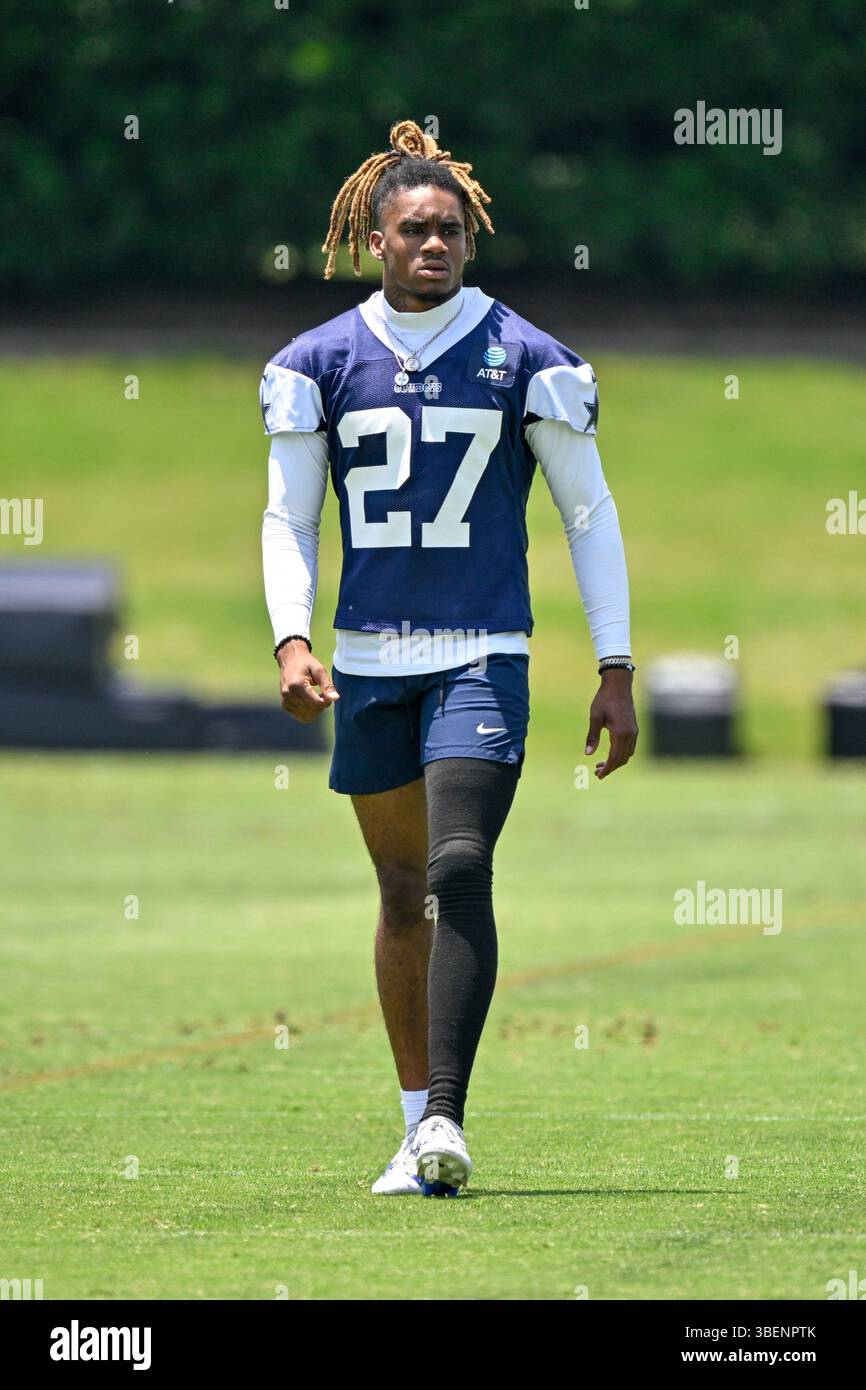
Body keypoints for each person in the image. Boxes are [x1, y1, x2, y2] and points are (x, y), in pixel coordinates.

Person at [260, 119, 637, 1196]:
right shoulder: (315, 364)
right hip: (371, 659)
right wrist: (291, 636)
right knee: (396, 891)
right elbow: (288, 520)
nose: (432, 245)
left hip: (481, 650)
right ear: (372, 239)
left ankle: (443, 1121)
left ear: (470, 241)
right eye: (412, 229)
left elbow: (588, 513)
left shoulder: (528, 358)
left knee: (456, 866)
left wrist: (612, 663)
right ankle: (406, 1120)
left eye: (449, 231)